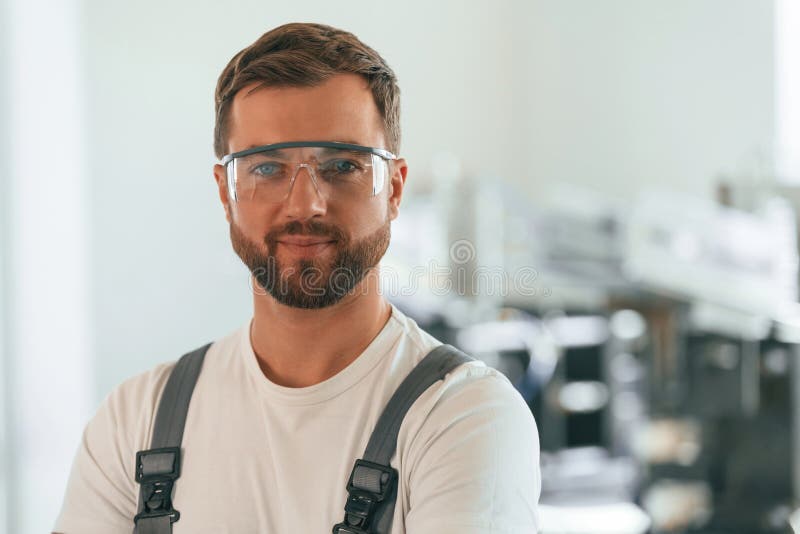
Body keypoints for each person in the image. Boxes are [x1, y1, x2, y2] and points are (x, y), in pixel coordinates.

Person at [53, 22, 541, 533]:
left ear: (394, 189)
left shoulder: (463, 417)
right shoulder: (136, 420)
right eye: (266, 168)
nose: (305, 203)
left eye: (343, 166)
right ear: (225, 192)